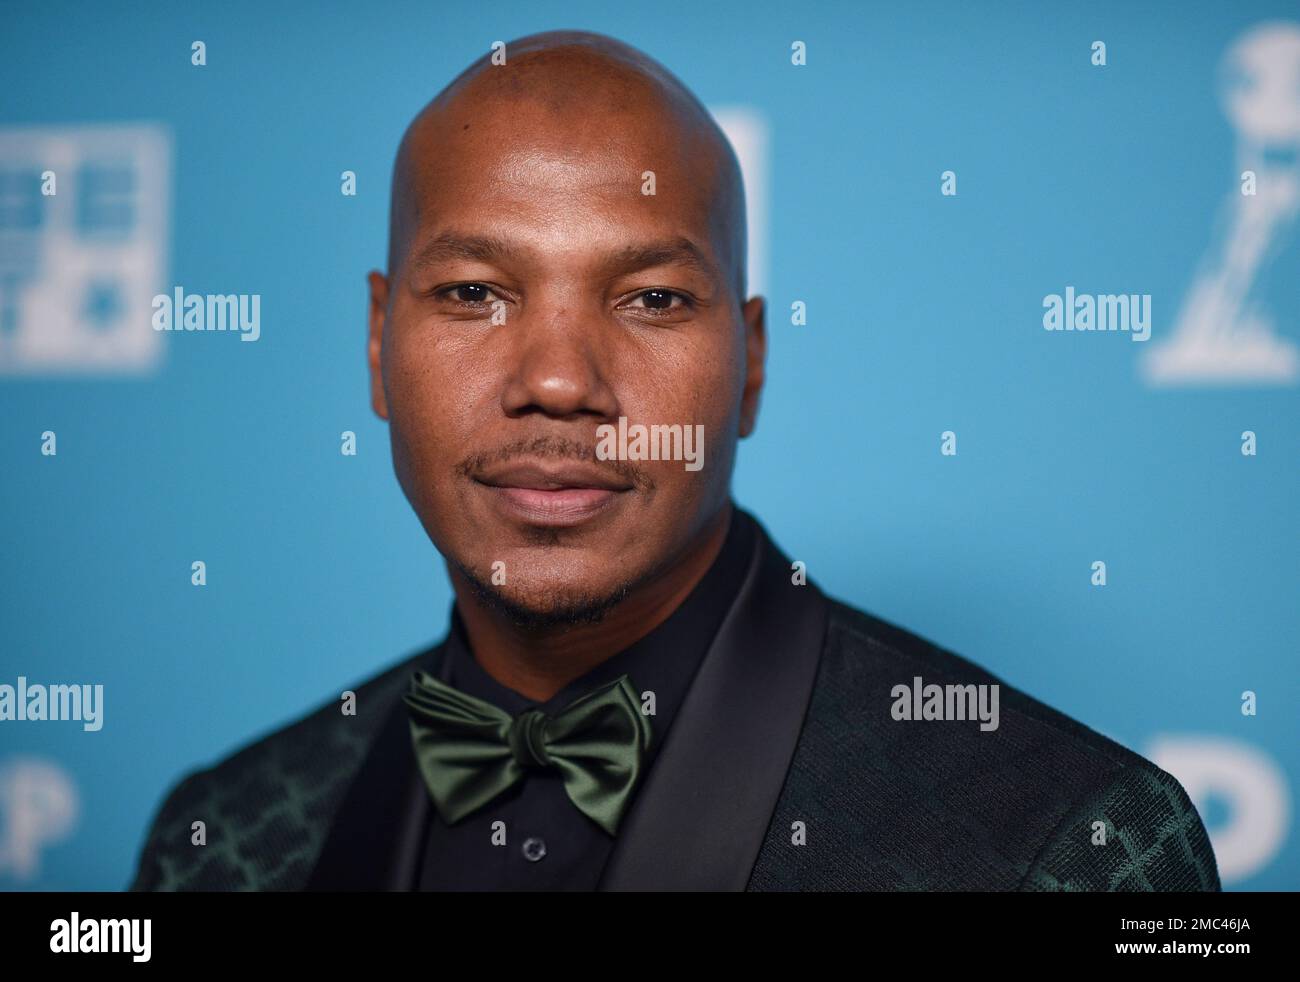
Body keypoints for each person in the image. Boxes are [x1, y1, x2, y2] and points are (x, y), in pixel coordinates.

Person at [131, 30, 1220, 892]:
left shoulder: (1068, 842)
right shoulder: (222, 838)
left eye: (652, 298)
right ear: (377, 347)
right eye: (474, 291)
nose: (557, 380)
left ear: (749, 366)